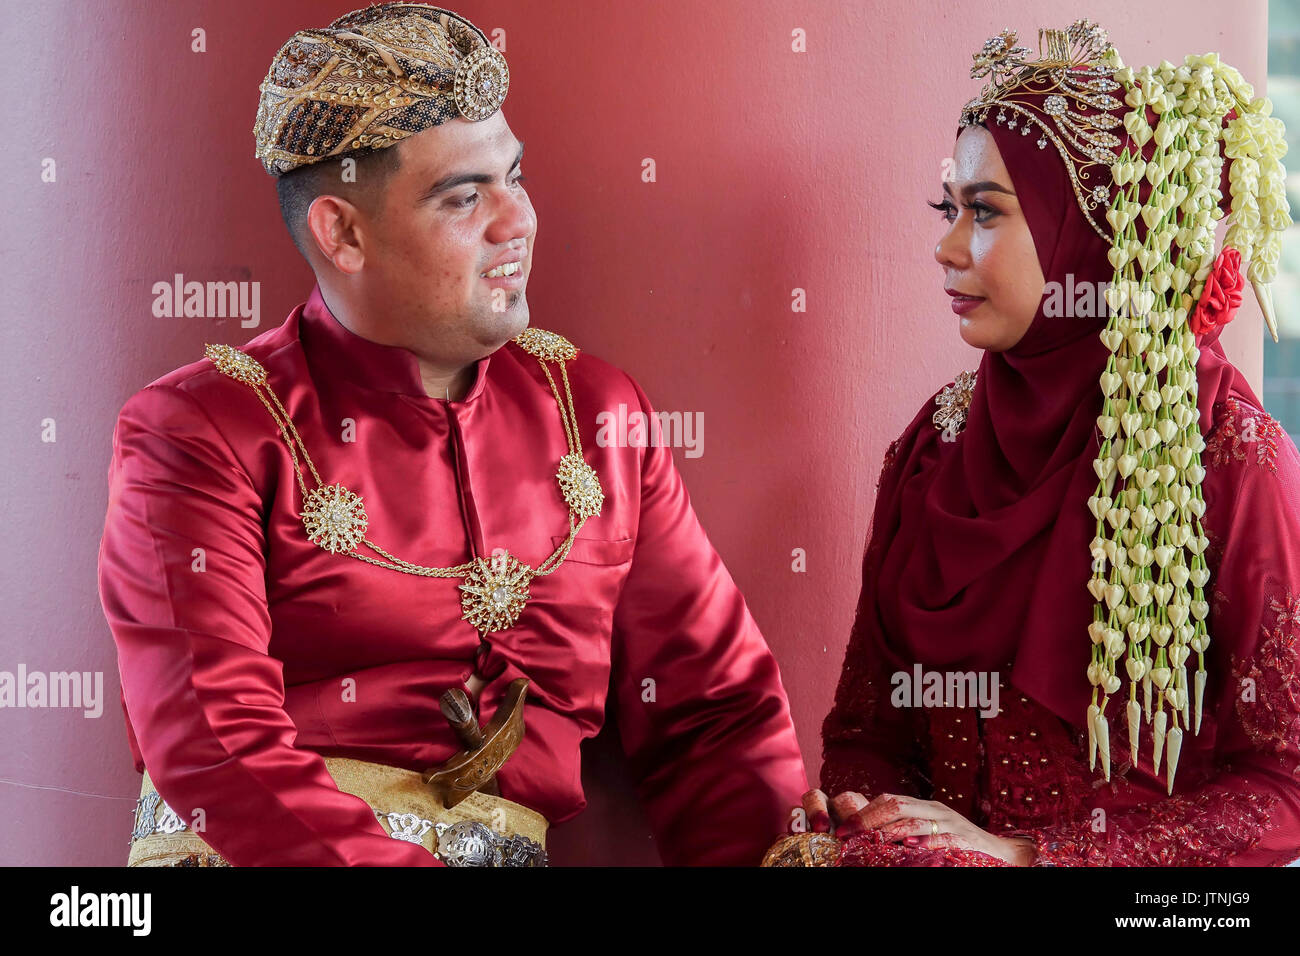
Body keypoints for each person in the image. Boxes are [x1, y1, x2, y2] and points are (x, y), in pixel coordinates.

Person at [99, 2, 807, 867]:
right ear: (344, 233)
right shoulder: (202, 428)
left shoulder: (598, 415)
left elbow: (714, 712)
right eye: (466, 197)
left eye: (516, 177)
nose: (518, 223)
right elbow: (214, 742)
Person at [779, 19, 1300, 867]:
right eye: (949, 210)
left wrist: (1028, 856)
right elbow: (867, 732)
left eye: (984, 213)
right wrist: (868, 813)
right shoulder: (934, 447)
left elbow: (1284, 787)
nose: (946, 248)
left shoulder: (1225, 460)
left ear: (1088, 230)